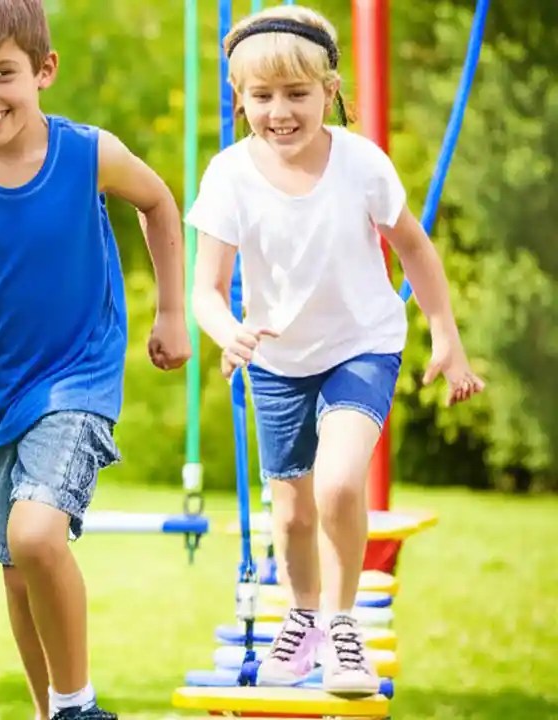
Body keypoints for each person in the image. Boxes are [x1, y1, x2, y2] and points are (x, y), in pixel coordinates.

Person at [187, 4, 484, 696]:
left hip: (361, 345)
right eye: (262, 96)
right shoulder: (229, 174)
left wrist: (446, 336)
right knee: (291, 514)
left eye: (296, 93)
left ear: (330, 90)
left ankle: (343, 628)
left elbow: (414, 248)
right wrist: (226, 331)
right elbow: (207, 288)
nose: (279, 111)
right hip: (277, 360)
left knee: (339, 484)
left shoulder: (359, 162)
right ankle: (303, 618)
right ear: (240, 98)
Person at [0, 1, 191, 717]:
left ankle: (76, 704)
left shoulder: (87, 154)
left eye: (2, 73)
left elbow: (158, 203)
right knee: (16, 568)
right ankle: (53, 709)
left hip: (79, 377)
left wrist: (172, 312)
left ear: (44, 70)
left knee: (34, 536)